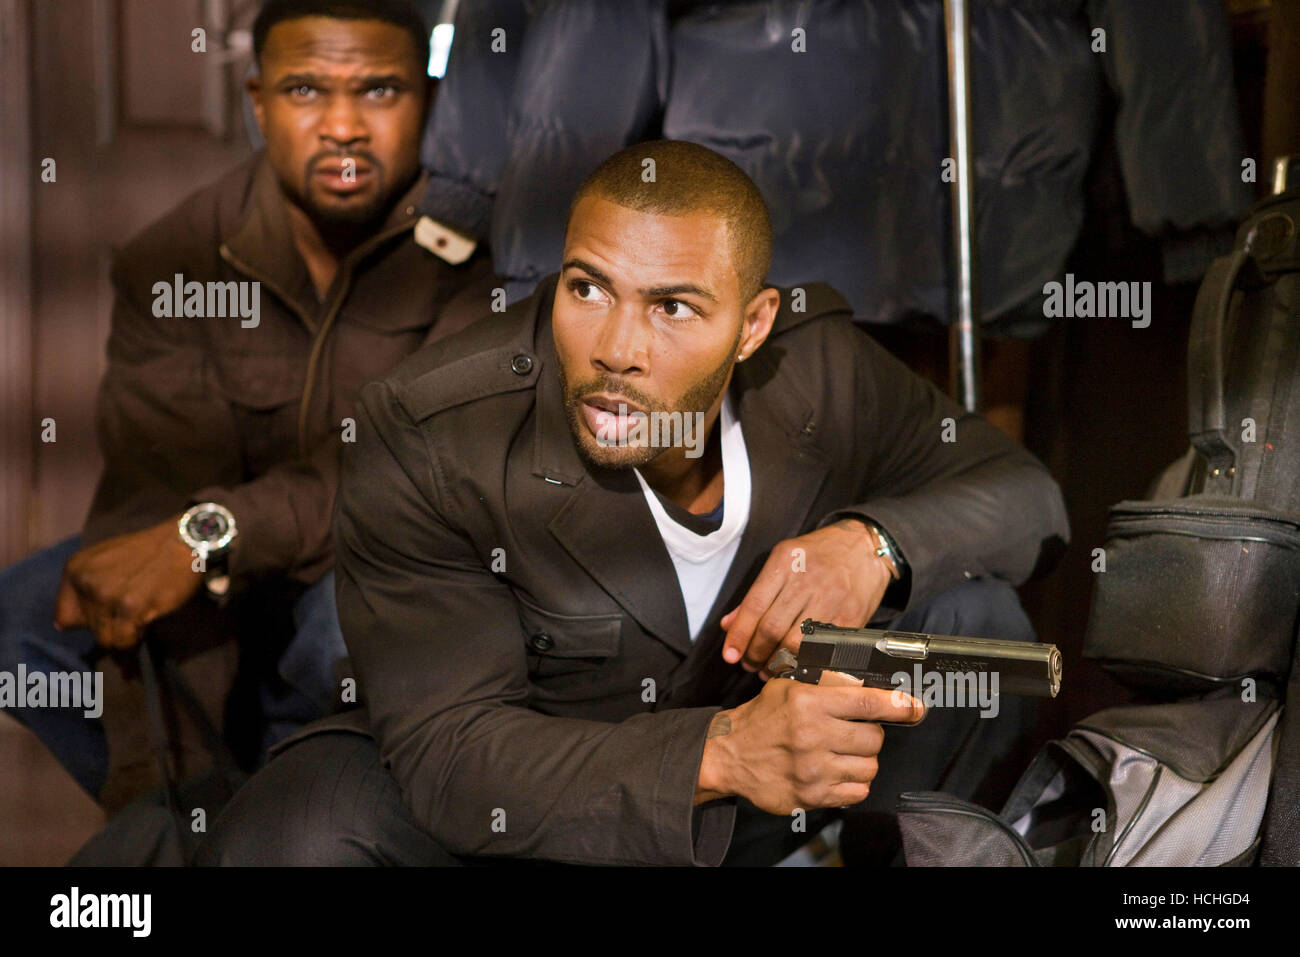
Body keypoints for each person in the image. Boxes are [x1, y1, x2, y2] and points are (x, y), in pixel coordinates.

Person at [199, 140, 1069, 866]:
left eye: (674, 308)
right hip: (528, 818)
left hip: (736, 819)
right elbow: (453, 754)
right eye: (587, 289)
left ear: (753, 325)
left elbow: (1024, 493)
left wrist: (870, 543)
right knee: (300, 822)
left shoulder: (818, 370)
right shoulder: (431, 427)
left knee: (979, 631)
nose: (616, 348)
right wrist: (723, 751)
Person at [0, 0, 496, 813]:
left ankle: (308, 813)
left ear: (429, 102)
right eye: (305, 91)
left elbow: (417, 470)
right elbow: (151, 496)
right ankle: (214, 817)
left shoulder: (476, 257)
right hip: (229, 576)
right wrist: (162, 788)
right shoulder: (175, 255)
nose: (343, 125)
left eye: (379, 90)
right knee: (33, 613)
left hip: (379, 556)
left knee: (351, 621)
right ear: (258, 102)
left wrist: (215, 533)